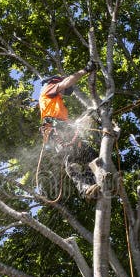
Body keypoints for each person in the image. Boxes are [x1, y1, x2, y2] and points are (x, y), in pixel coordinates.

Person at [38, 62, 101, 200]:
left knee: (90, 154)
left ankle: (99, 180)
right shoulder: (49, 89)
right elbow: (66, 83)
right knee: (70, 158)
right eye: (61, 89)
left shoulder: (57, 102)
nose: (63, 92)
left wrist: (87, 117)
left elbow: (69, 123)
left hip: (64, 129)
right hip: (55, 129)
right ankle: (85, 188)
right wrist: (85, 70)